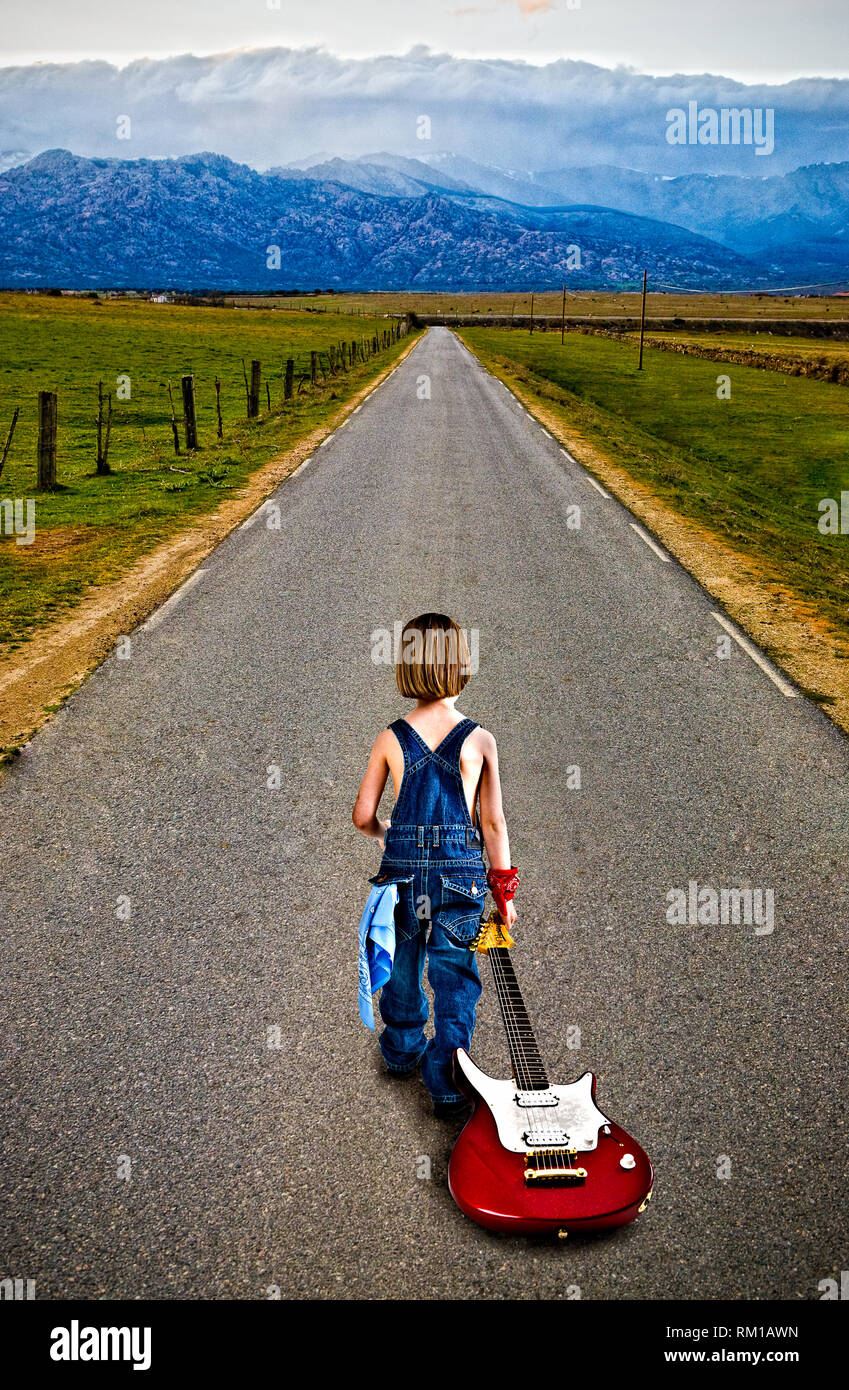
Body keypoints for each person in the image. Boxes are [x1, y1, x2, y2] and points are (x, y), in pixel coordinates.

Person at [353, 612, 518, 1116]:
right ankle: (448, 1077)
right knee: (455, 973)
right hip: (460, 878)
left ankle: (402, 1050)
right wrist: (504, 896)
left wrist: (390, 836)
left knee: (402, 963)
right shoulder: (480, 740)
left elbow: (362, 815)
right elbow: (493, 826)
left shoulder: (390, 737)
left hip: (401, 878)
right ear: (461, 666)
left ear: (407, 667)